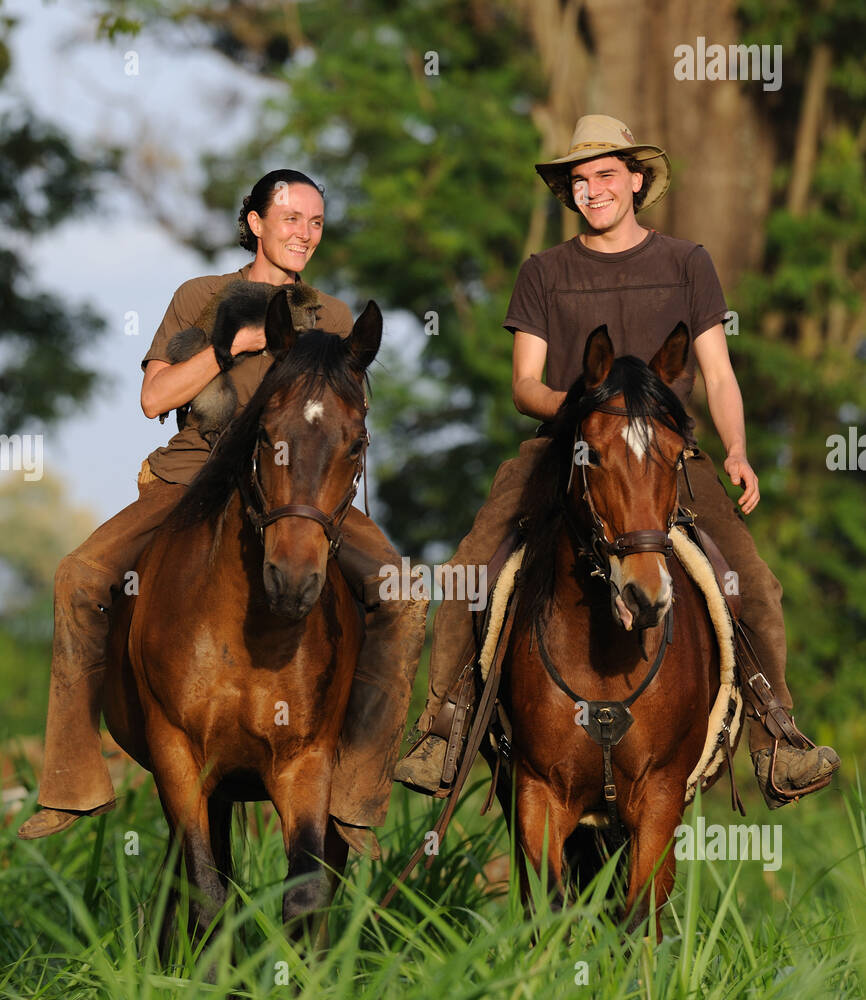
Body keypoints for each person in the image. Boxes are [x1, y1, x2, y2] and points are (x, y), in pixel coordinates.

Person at [395, 115, 839, 807]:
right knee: (468, 571)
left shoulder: (686, 262)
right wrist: (586, 409)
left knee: (752, 582)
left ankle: (777, 737)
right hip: (569, 448)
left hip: (669, 454)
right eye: (579, 180)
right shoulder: (544, 271)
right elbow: (523, 385)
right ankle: (442, 730)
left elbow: (718, 375)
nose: (592, 189)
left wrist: (739, 449)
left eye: (605, 175)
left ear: (636, 179)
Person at [19, 169, 427, 851]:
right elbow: (154, 400)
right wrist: (229, 347)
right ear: (255, 222)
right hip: (195, 475)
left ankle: (357, 788)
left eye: (317, 222)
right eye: (291, 218)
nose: (305, 234)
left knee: (404, 594)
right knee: (80, 574)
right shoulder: (202, 297)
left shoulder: (331, 316)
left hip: (298, 485)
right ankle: (72, 779)